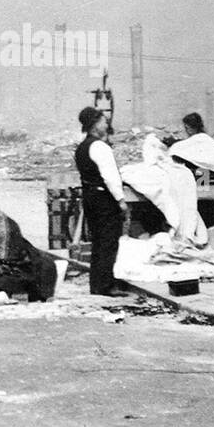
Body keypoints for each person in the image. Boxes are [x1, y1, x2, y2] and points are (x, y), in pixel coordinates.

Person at [76, 107, 131, 297]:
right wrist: (121, 201)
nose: (107, 125)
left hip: (89, 197)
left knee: (98, 241)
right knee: (108, 241)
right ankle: (106, 285)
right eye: (103, 121)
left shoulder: (82, 148)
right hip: (103, 198)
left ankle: (97, 284)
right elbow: (111, 177)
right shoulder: (100, 147)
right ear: (95, 124)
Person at [167, 112, 214, 185]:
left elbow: (176, 149)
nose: (186, 130)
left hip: (209, 174)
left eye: (186, 128)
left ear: (190, 127)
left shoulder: (199, 139)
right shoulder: (206, 138)